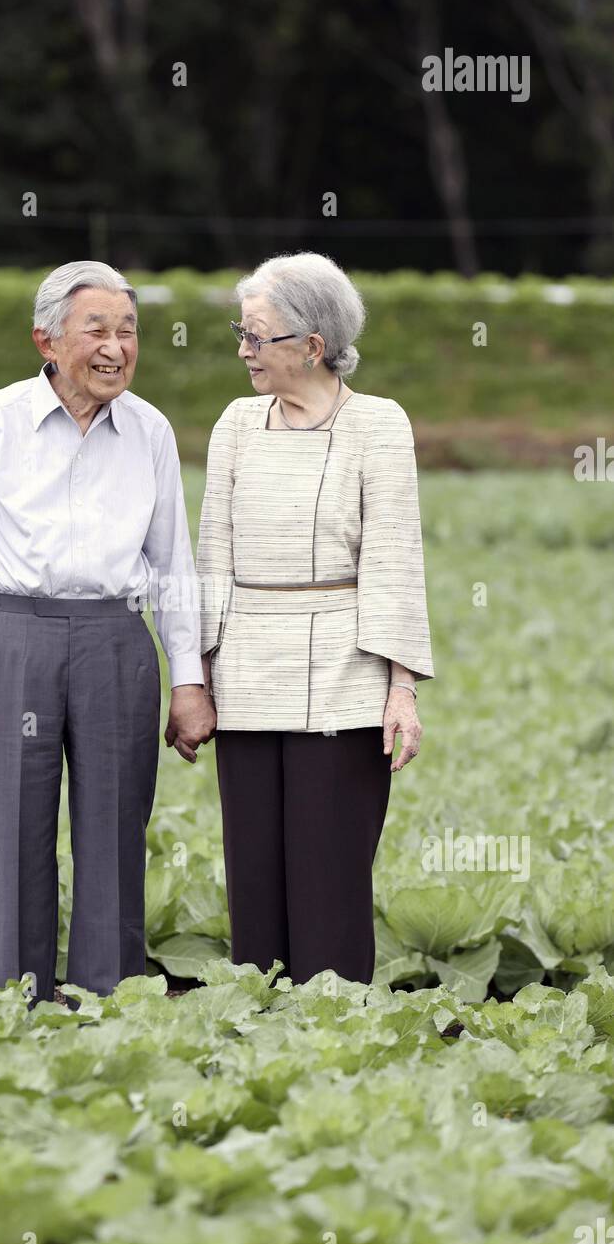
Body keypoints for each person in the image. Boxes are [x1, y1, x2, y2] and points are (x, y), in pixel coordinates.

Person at [0, 261, 215, 1006]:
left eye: (128, 331)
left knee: (116, 833)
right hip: (12, 640)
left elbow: (172, 562)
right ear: (47, 340)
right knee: (15, 835)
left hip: (116, 645)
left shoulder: (150, 430)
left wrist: (188, 680)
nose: (116, 347)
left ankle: (107, 1000)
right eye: (97, 329)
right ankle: (16, 1002)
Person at [196, 251, 435, 987]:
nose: (243, 351)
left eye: (256, 337)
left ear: (312, 346)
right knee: (256, 881)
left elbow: (394, 558)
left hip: (344, 675)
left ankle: (334, 1038)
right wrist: (193, 680)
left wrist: (401, 690)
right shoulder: (236, 424)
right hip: (245, 677)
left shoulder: (379, 425)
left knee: (330, 878)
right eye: (241, 333)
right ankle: (259, 1031)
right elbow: (210, 559)